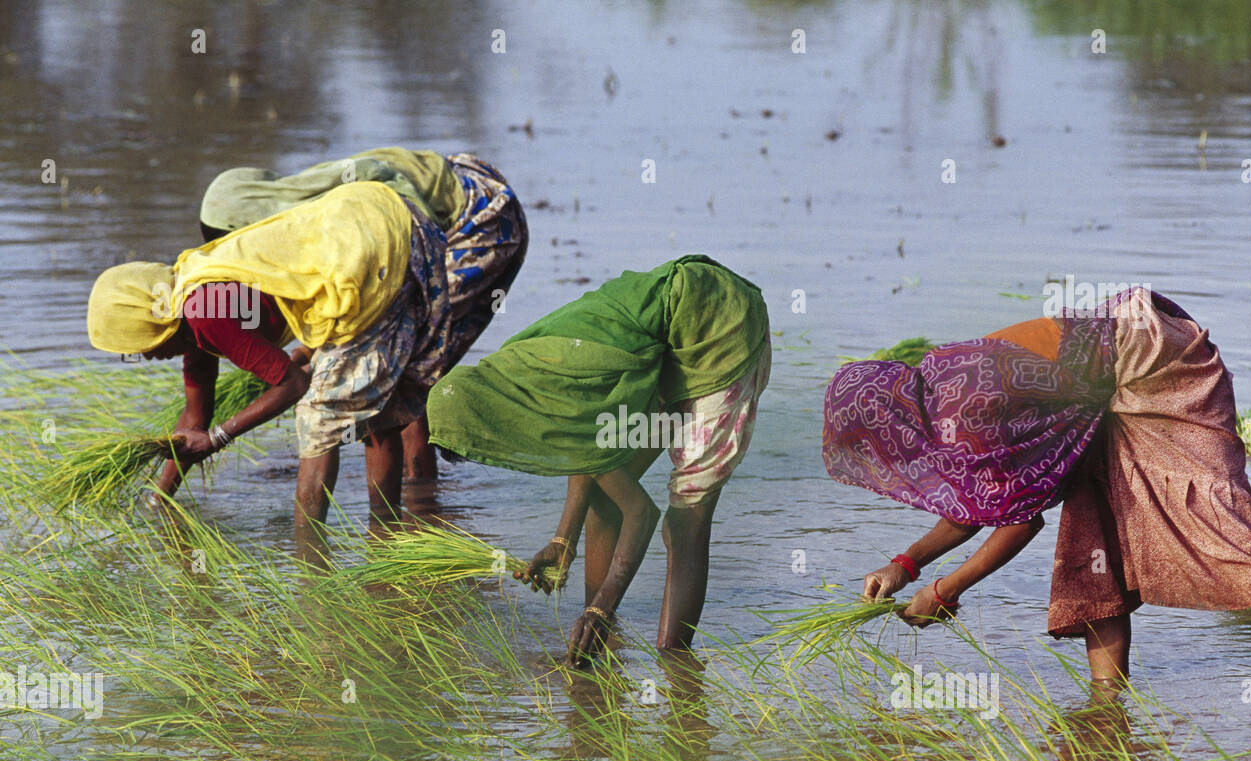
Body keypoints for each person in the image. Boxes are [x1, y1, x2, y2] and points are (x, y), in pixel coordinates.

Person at [823, 285, 1251, 704]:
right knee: (1094, 542)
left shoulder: (961, 411)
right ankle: (1107, 711)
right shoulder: (934, 388)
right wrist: (904, 565)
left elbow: (1020, 521)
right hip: (1103, 384)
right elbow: (985, 503)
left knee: (1229, 528)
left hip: (1154, 360)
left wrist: (943, 591)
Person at [425, 255, 771, 665]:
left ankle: (677, 666)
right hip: (667, 338)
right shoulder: (514, 379)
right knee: (606, 501)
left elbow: (641, 512)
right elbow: (587, 449)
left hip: (721, 326)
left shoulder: (534, 384)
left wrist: (600, 605)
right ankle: (599, 640)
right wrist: (562, 540)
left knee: (687, 518)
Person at [86, 180, 453, 532]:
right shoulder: (189, 306)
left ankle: (309, 559)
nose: (139, 356)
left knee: (318, 416)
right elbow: (195, 419)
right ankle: (387, 537)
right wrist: (159, 498)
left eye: (134, 346)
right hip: (383, 222)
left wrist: (218, 438)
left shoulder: (204, 311)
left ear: (148, 324)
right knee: (378, 415)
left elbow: (293, 384)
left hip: (372, 247)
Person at [198, 147, 529, 480]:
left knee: (398, 376)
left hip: (483, 219)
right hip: (465, 200)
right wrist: (314, 350)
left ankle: (421, 504)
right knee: (399, 373)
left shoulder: (320, 206)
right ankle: (418, 504)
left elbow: (397, 236)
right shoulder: (300, 199)